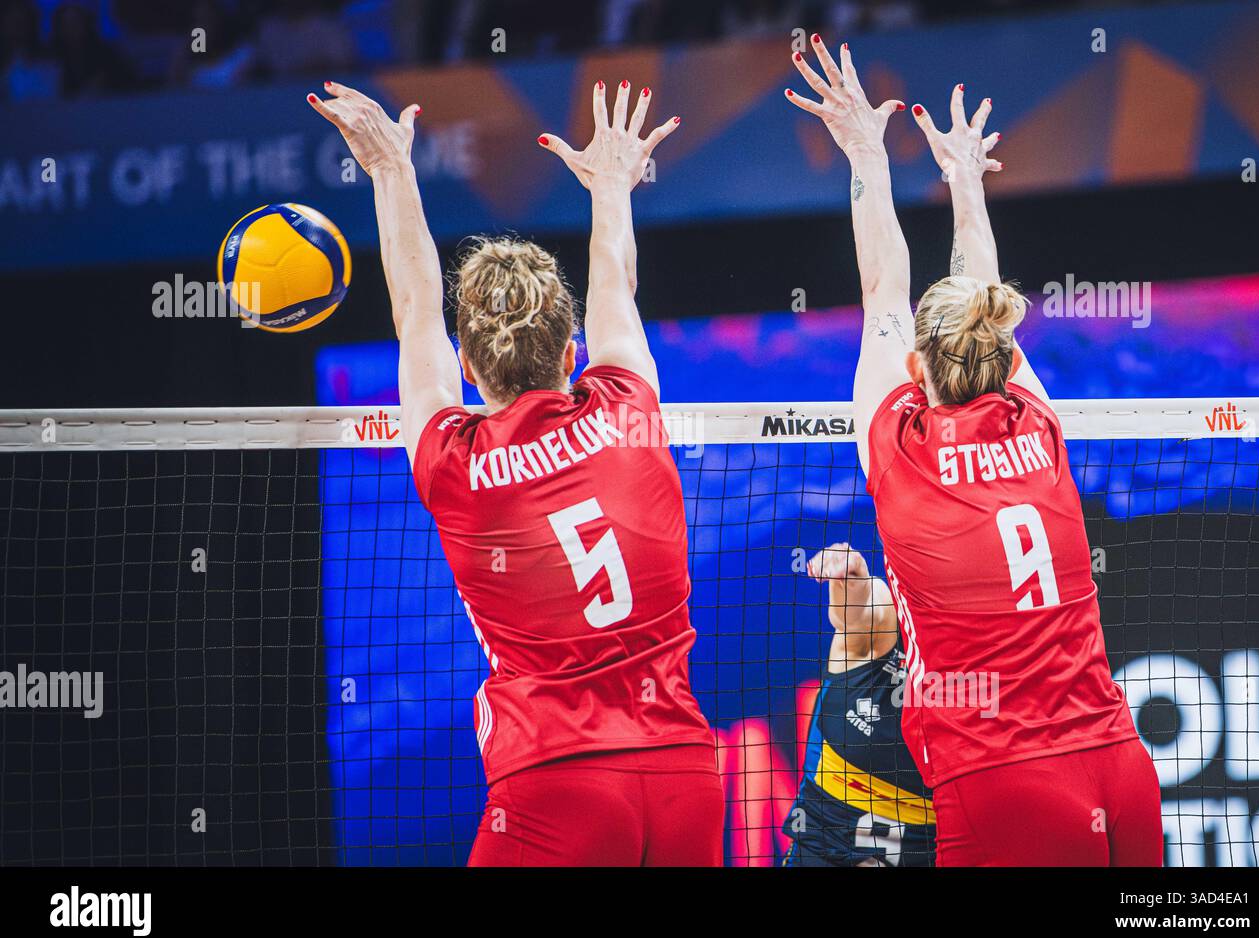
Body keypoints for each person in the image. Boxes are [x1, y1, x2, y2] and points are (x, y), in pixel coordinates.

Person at [309, 79, 723, 866]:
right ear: (573, 355)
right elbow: (614, 283)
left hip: (555, 793)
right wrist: (610, 188)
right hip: (686, 782)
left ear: (467, 367)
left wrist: (393, 171)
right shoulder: (629, 409)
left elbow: (413, 309)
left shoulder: (454, 463)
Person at [784, 34, 1162, 866]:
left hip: (1006, 782)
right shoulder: (1038, 425)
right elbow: (979, 306)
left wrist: (863, 152)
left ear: (916, 370)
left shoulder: (899, 447)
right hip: (1119, 763)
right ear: (1003, 359)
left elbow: (885, 284)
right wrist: (964, 182)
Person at [782, 543, 935, 867]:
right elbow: (857, 613)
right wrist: (849, 580)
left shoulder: (981, 665)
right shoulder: (886, 612)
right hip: (823, 848)